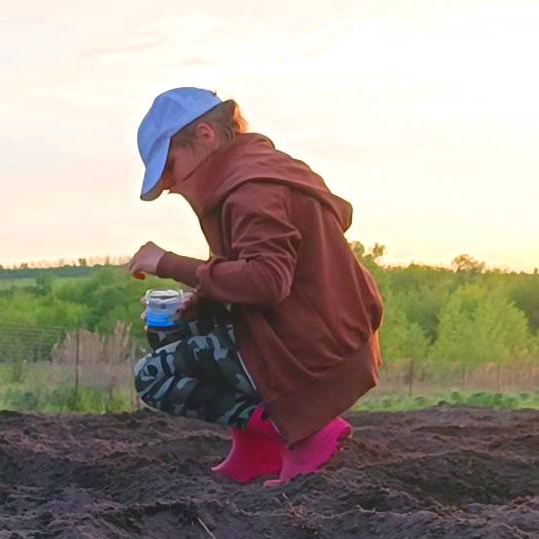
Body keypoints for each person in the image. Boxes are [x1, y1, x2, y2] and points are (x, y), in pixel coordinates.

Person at [125, 88, 383, 485]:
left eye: (171, 167)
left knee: (152, 376)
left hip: (315, 348)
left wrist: (169, 263)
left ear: (206, 136)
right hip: (323, 331)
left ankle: (301, 433)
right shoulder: (253, 172)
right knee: (171, 331)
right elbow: (272, 275)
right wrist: (206, 299)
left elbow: (267, 281)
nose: (171, 186)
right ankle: (255, 449)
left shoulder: (251, 188)